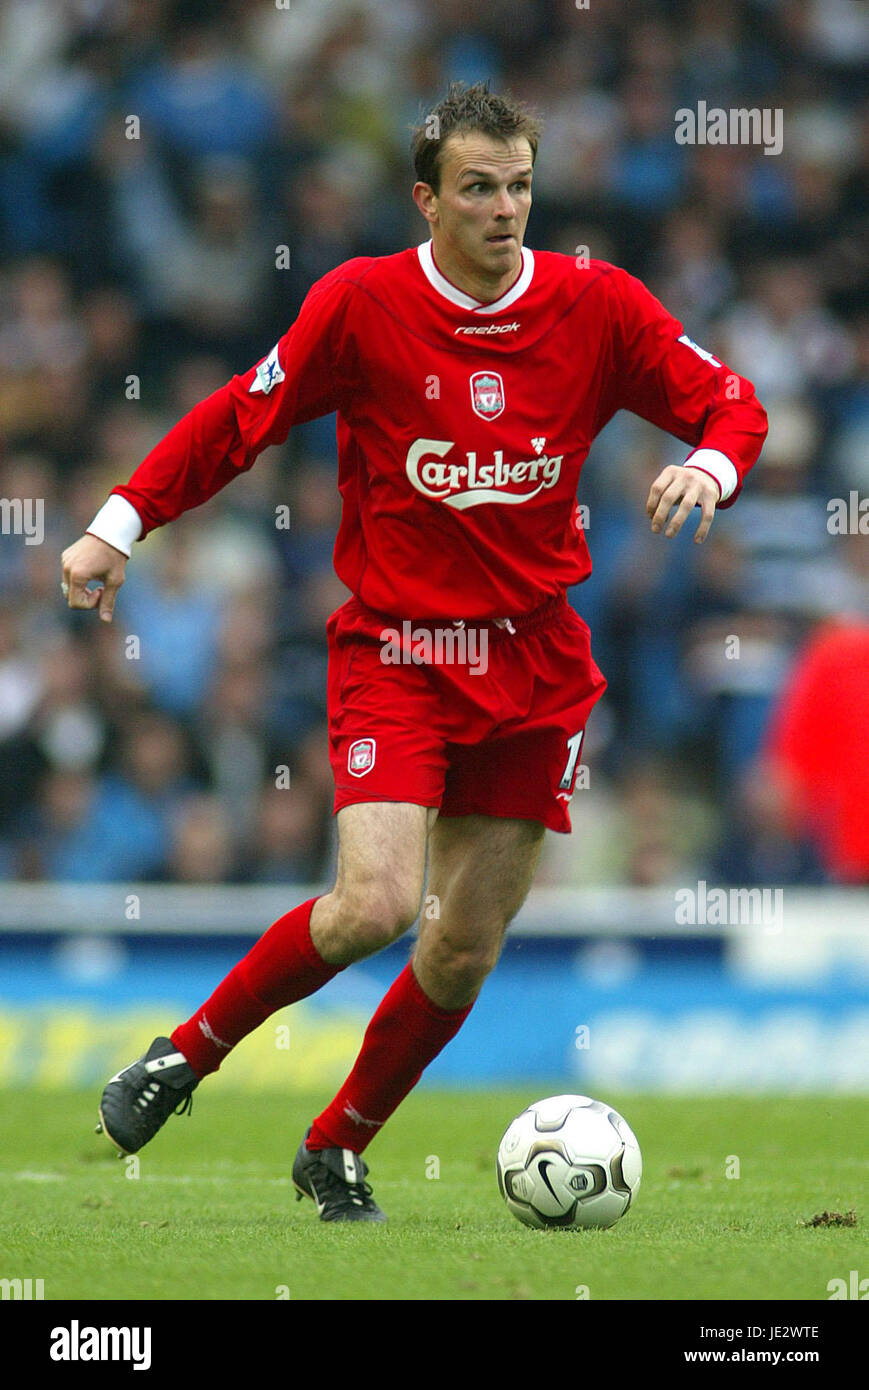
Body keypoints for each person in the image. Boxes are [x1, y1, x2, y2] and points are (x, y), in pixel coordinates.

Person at [61, 83, 767, 1222]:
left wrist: (710, 468)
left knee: (461, 949)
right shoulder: (362, 306)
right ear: (425, 199)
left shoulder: (595, 305)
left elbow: (734, 404)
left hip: (535, 664)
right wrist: (118, 521)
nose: (505, 210)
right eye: (479, 188)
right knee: (374, 903)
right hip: (397, 650)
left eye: (520, 187)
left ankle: (335, 1145)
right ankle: (185, 1055)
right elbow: (242, 418)